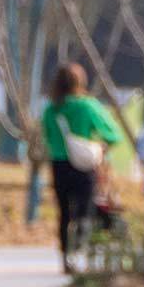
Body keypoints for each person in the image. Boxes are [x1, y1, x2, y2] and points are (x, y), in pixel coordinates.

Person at [41, 63, 122, 274]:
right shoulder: (87, 106)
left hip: (58, 164)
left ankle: (65, 259)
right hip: (84, 166)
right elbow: (113, 134)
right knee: (84, 212)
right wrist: (100, 148)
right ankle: (79, 254)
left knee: (64, 213)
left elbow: (47, 137)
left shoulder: (51, 109)